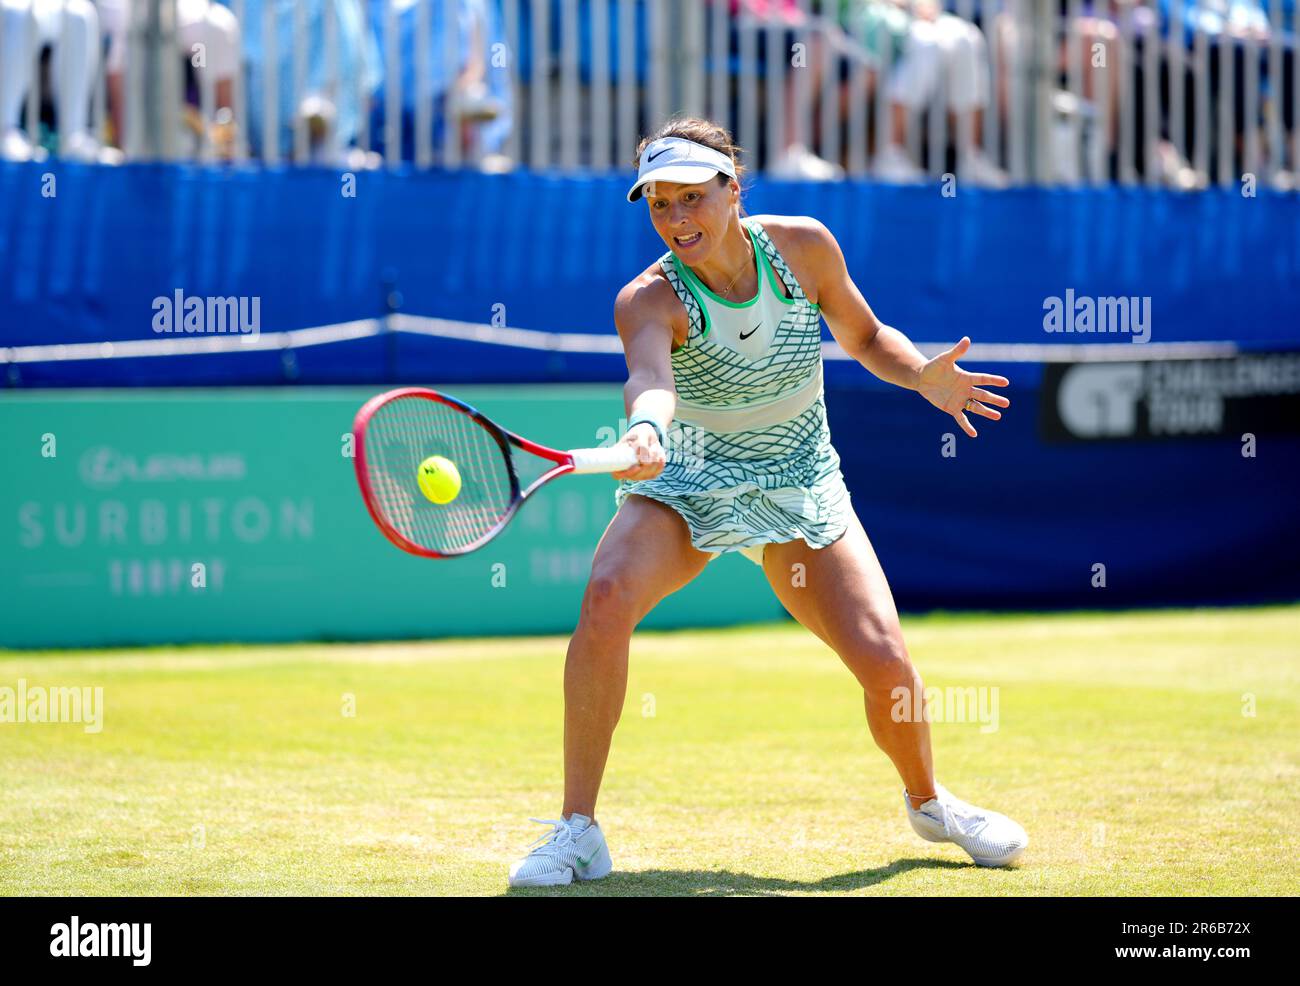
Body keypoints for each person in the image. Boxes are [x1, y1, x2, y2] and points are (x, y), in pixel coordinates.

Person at [507, 116, 1028, 888]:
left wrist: (921, 373)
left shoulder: (804, 247)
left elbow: (866, 333)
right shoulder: (647, 299)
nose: (678, 219)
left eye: (692, 198)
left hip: (798, 485)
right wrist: (647, 426)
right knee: (607, 593)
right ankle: (578, 829)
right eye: (660, 204)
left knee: (886, 664)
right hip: (687, 487)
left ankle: (930, 803)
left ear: (732, 190)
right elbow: (649, 379)